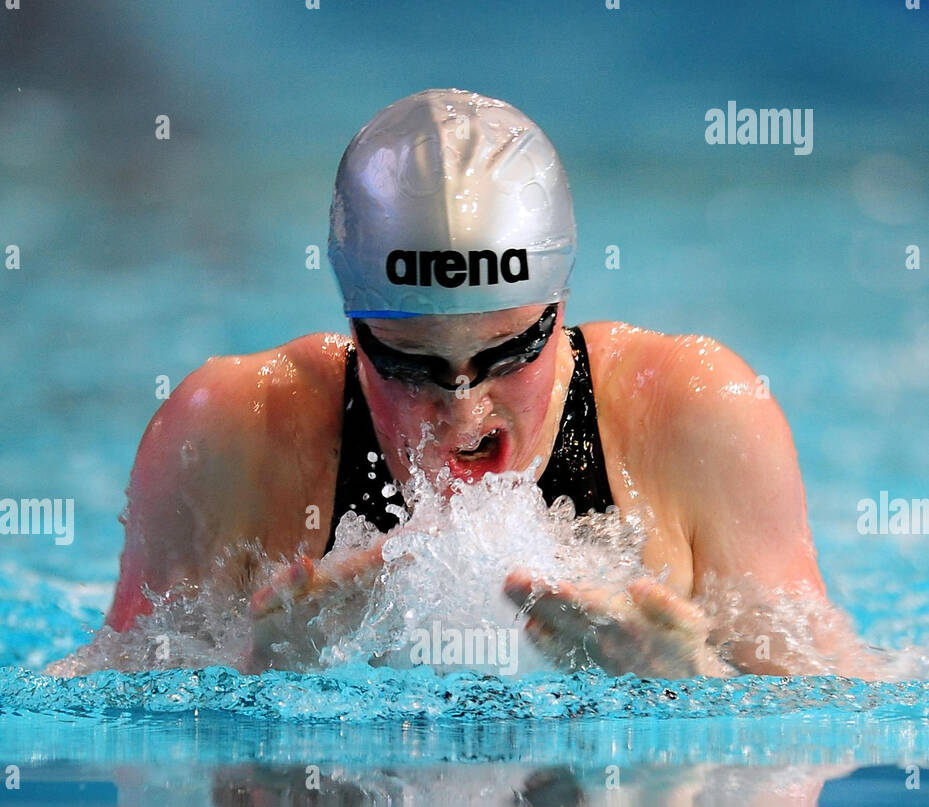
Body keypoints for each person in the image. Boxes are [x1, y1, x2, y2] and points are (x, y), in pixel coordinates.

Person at [100, 89, 875, 679]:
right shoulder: (227, 433)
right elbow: (96, 719)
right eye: (408, 361)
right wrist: (253, 683)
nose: (461, 409)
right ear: (351, 324)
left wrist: (685, 685)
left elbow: (846, 703)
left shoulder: (696, 416)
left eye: (508, 353)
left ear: (560, 307)